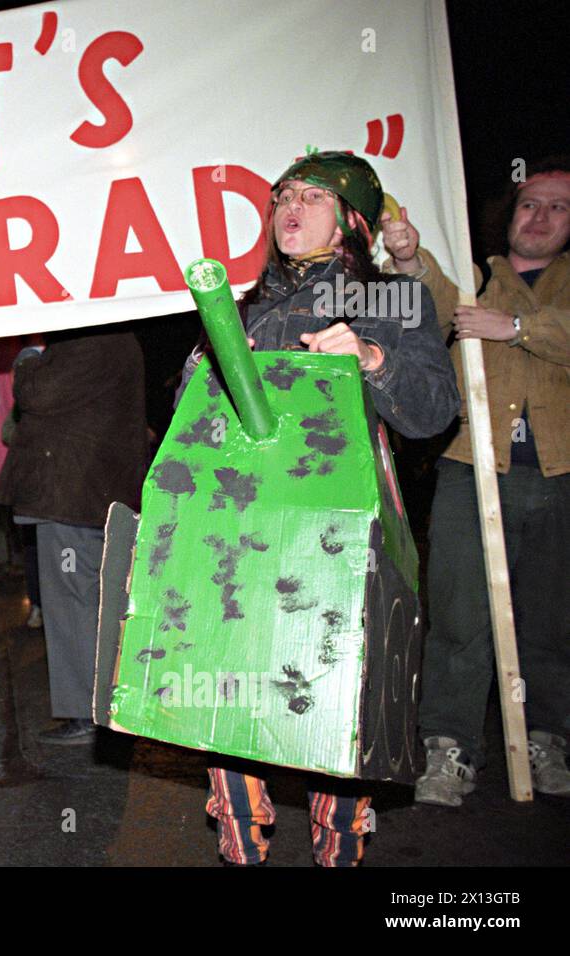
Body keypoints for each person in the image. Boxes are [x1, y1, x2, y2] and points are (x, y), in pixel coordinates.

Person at [177, 151, 458, 865]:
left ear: (353, 220)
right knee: (231, 695)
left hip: (342, 538)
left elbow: (433, 413)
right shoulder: (244, 307)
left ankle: (339, 852)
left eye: (312, 196)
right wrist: (208, 370)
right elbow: (188, 423)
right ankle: (241, 850)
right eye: (282, 197)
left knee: (341, 704)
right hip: (242, 533)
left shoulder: (392, 298)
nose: (290, 209)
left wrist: (370, 357)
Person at [383, 156, 570, 804]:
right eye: (529, 203)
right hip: (472, 469)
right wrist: (411, 260)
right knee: (461, 618)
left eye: (557, 207)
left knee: (550, 621)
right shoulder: (476, 279)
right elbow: (428, 309)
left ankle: (547, 738)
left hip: (560, 474)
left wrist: (516, 330)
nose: (539, 216)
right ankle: (450, 749)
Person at [0, 329, 147, 744]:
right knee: (93, 600)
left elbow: (37, 394)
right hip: (92, 493)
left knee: (73, 603)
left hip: (72, 493)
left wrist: (27, 357)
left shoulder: (89, 337)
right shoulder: (118, 337)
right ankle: (102, 707)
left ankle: (86, 713)